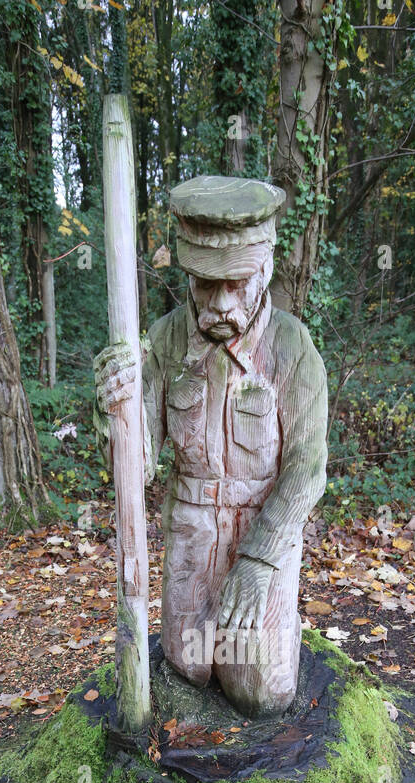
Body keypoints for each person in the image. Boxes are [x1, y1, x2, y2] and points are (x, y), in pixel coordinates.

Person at [95, 176, 327, 718]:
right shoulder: (165, 341)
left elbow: (307, 470)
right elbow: (139, 466)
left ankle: (282, 624)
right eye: (204, 284)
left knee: (260, 693)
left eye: (237, 283)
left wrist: (260, 560)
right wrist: (115, 413)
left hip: (261, 532)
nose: (220, 302)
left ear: (265, 269)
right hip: (192, 530)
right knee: (188, 665)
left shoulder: (291, 346)